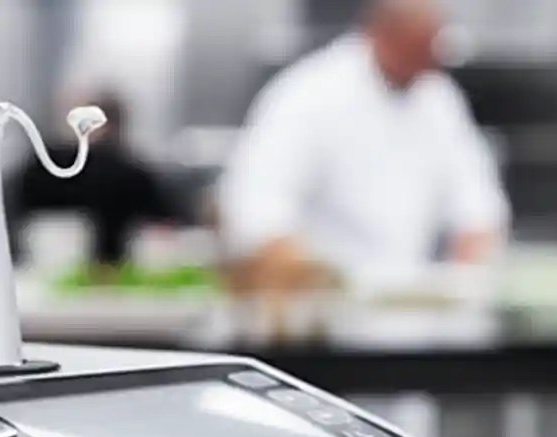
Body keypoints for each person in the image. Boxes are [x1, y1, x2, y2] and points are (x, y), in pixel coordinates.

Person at [217, 0, 509, 295]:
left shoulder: (438, 99)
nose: (430, 59)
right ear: (382, 32)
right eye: (418, 46)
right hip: (325, 309)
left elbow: (477, 205)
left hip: (413, 303)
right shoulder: (308, 94)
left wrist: (470, 277)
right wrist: (312, 280)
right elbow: (257, 211)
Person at [7, 92, 178, 275]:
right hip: (109, 273)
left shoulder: (46, 167)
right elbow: (165, 221)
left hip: (47, 273)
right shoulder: (133, 173)